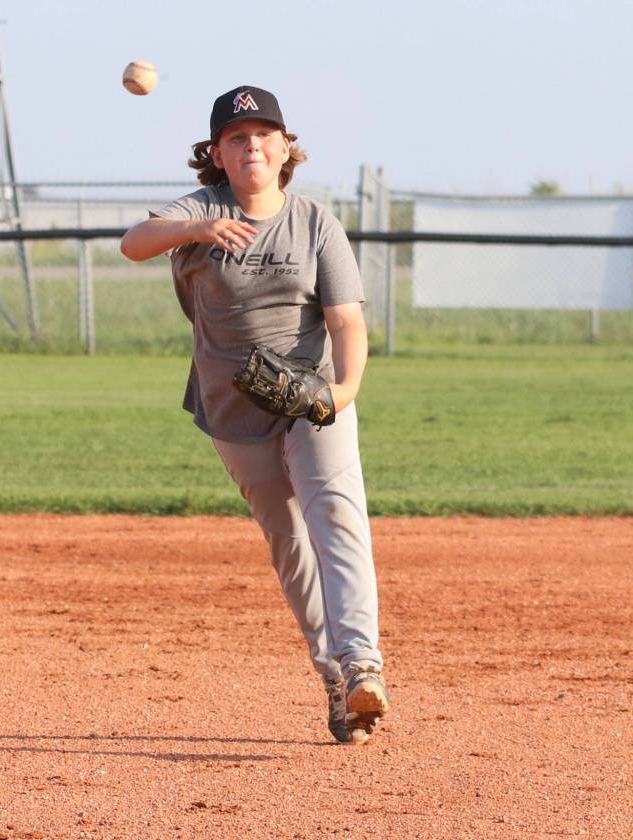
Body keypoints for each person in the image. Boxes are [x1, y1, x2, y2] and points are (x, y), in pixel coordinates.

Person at [121, 85, 389, 745]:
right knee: (291, 546)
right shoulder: (199, 209)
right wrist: (194, 227)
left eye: (265, 134)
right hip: (230, 403)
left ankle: (364, 666)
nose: (253, 147)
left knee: (336, 515)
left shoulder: (313, 220)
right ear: (217, 152)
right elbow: (133, 242)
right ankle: (331, 673)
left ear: (285, 146)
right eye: (238, 138)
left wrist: (345, 390)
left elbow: (346, 318)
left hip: (312, 396)